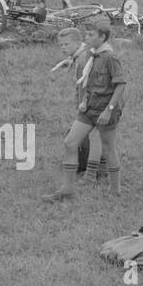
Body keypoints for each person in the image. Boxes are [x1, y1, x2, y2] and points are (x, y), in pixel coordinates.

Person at [45, 16, 126, 202]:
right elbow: (87, 81)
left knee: (108, 147)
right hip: (88, 108)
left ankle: (115, 191)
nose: (87, 38)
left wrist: (109, 110)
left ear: (103, 37)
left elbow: (121, 85)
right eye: (87, 34)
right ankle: (67, 190)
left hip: (105, 109)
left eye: (91, 35)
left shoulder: (110, 58)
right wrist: (83, 102)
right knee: (70, 142)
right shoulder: (90, 55)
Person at [55, 27, 100, 180]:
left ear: (77, 43)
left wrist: (82, 105)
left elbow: (85, 86)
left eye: (66, 44)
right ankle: (91, 166)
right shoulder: (82, 54)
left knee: (81, 136)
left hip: (92, 103)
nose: (63, 48)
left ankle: (88, 168)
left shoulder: (81, 61)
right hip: (93, 101)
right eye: (61, 45)